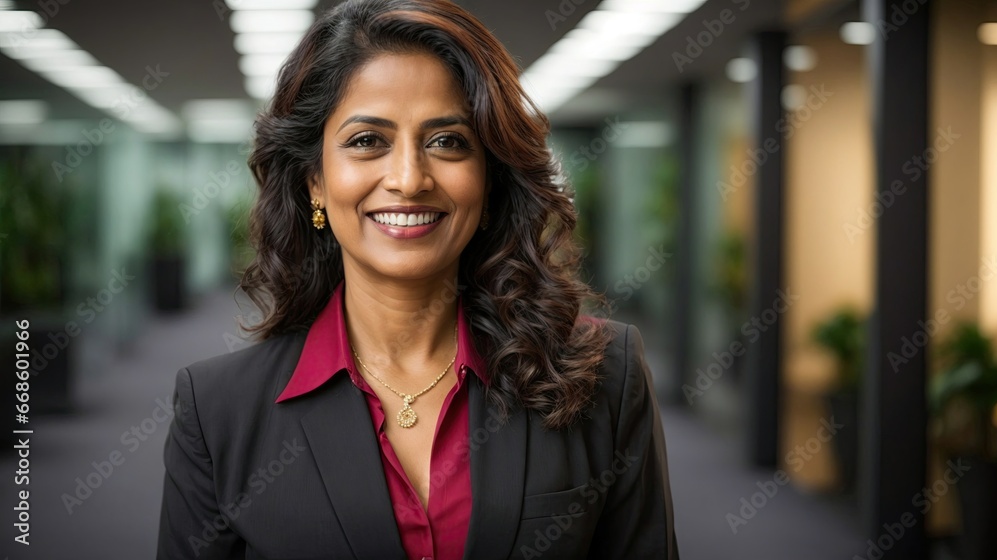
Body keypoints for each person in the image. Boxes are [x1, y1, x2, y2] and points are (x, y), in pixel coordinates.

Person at [156, 0, 679, 558]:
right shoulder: (218, 410)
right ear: (314, 180)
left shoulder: (604, 374)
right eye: (366, 141)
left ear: (489, 176)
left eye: (447, 141)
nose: (408, 179)